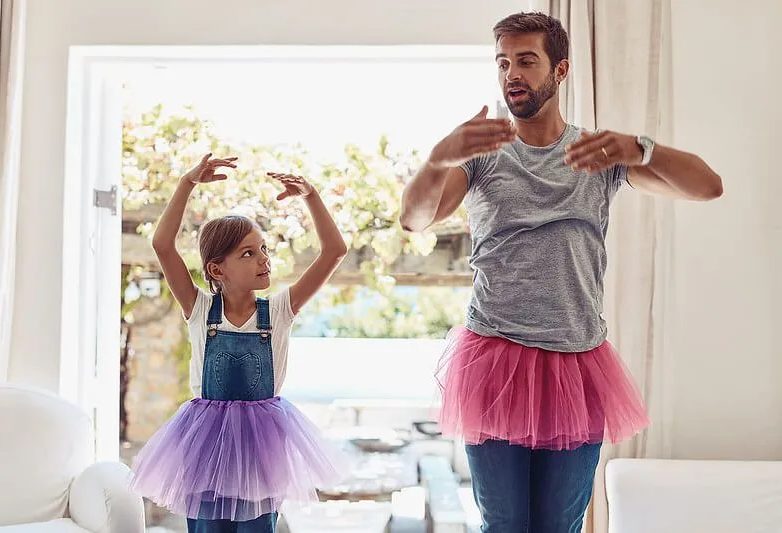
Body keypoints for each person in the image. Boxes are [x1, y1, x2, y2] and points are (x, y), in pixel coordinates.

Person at [399, 11, 723, 533]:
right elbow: (415, 219)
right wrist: (439, 157)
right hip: (496, 361)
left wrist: (643, 148)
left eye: (526, 61)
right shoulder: (481, 158)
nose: (512, 75)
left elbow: (707, 187)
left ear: (561, 69)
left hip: (577, 366)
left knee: (558, 526)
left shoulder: (597, 153)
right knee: (505, 524)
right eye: (503, 63)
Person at [129, 153, 350, 533]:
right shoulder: (199, 309)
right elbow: (163, 245)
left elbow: (335, 251)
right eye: (248, 253)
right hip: (205, 447)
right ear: (217, 269)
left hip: (262, 450)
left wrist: (311, 196)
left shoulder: (280, 310)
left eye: (263, 249)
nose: (263, 259)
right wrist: (187, 183)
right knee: (205, 527)